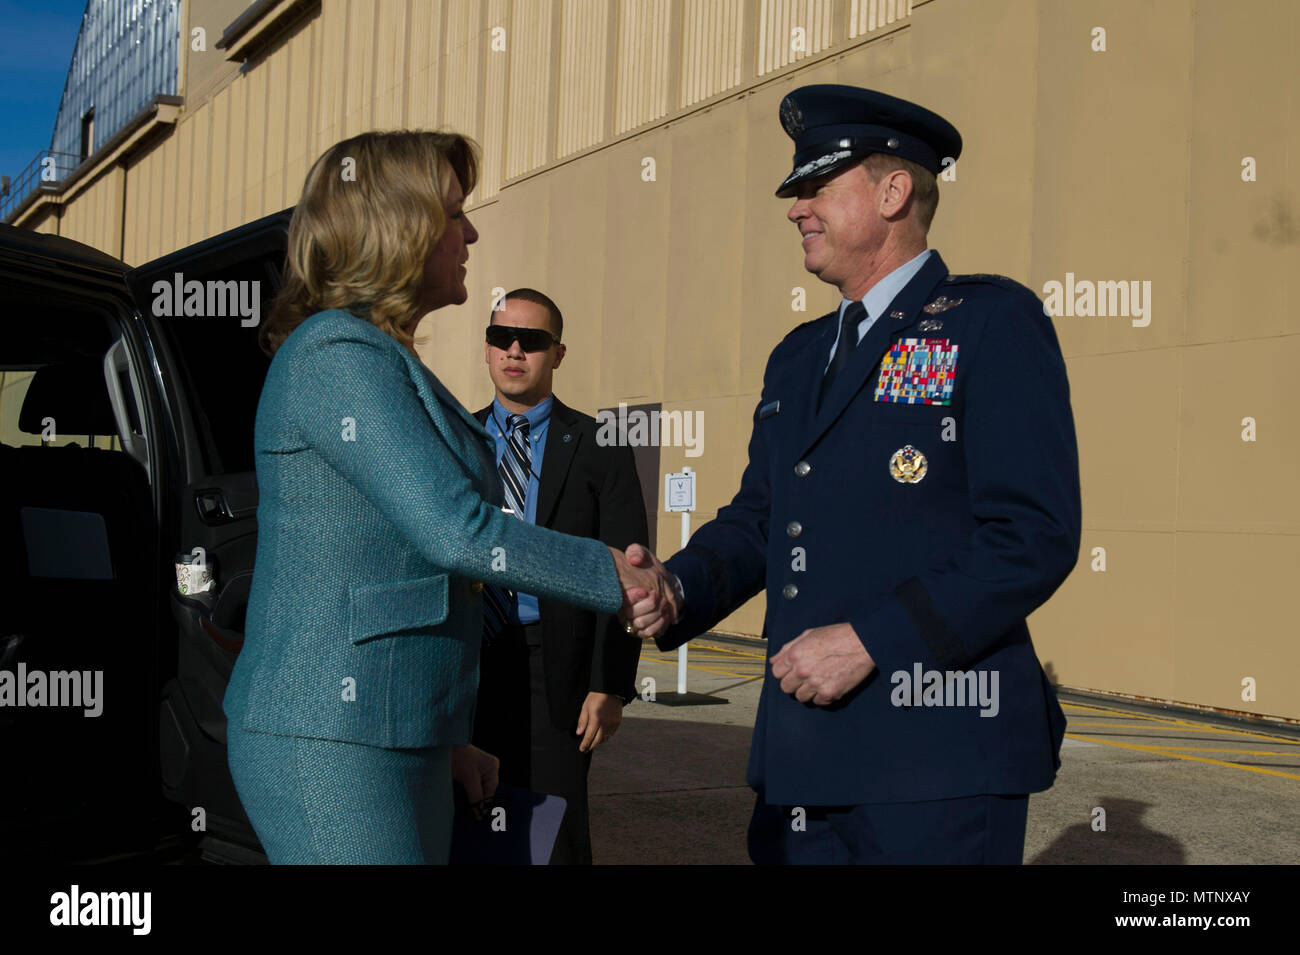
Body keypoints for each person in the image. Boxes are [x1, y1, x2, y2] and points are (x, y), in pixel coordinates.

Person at [627, 85, 1080, 864]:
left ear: (894, 190)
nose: (796, 208)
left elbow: (1032, 536)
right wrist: (678, 586)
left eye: (816, 186)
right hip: (803, 757)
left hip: (935, 760)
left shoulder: (991, 323)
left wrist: (874, 639)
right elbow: (760, 518)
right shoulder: (799, 356)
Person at [222, 130, 674, 865]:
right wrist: (611, 575)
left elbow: (403, 567)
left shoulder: (386, 360)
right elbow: (454, 531)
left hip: (399, 728)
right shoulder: (338, 355)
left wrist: (446, 734)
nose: (470, 232)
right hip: (331, 735)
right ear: (397, 226)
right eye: (453, 212)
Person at [471, 288, 647, 865]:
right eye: (502, 337)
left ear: (559, 353)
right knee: (472, 824)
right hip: (468, 659)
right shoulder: (453, 441)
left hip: (559, 665)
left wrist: (611, 683)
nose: (515, 349)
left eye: (533, 340)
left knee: (555, 830)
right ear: (489, 348)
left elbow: (629, 571)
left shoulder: (602, 446)